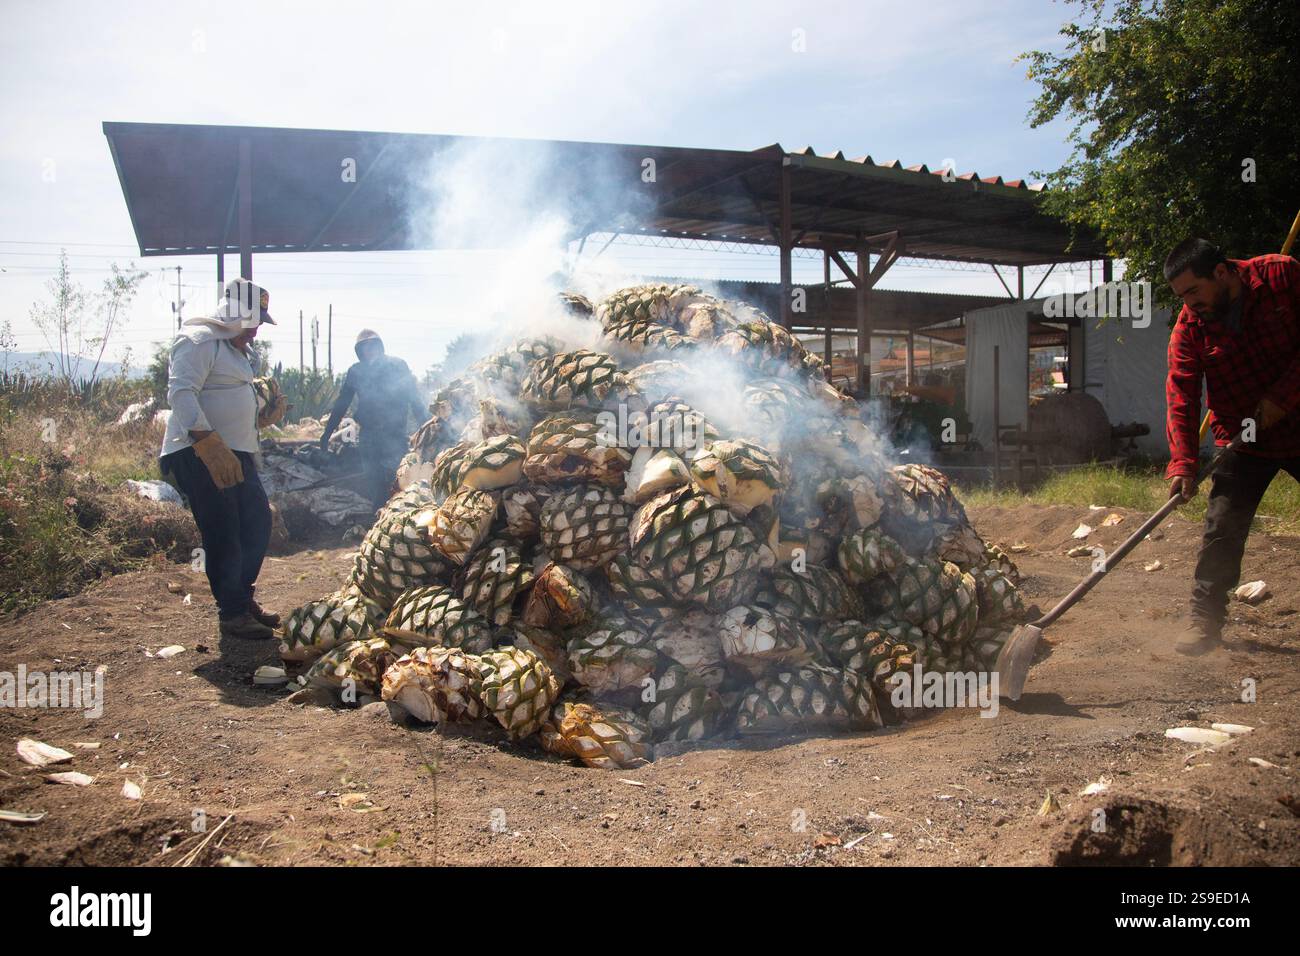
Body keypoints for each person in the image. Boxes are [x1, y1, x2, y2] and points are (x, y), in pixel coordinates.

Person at [1163, 238, 1299, 654]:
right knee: (1222, 526)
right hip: (1244, 437)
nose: (1189, 303)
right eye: (1181, 296)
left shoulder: (1283, 275)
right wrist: (1183, 463)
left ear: (1221, 273)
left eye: (1193, 291)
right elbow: (1181, 393)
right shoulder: (1191, 325)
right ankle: (1204, 622)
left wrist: (1282, 398)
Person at [159, 278, 288, 641]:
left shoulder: (236, 352)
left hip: (234, 453)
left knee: (257, 521)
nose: (257, 329)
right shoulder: (198, 341)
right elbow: (182, 393)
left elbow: (228, 397)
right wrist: (208, 442)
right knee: (224, 527)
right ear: (237, 314)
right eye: (255, 320)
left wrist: (257, 415)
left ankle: (240, 597)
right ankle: (231, 613)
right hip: (200, 453)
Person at [320, 329, 426, 511]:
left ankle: (401, 516)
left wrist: (427, 426)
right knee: (374, 479)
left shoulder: (398, 365)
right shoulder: (356, 371)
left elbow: (414, 398)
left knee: (399, 477)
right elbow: (342, 403)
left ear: (380, 346)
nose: (369, 350)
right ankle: (378, 518)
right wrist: (327, 432)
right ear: (359, 351)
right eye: (365, 347)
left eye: (373, 345)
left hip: (394, 434)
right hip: (369, 435)